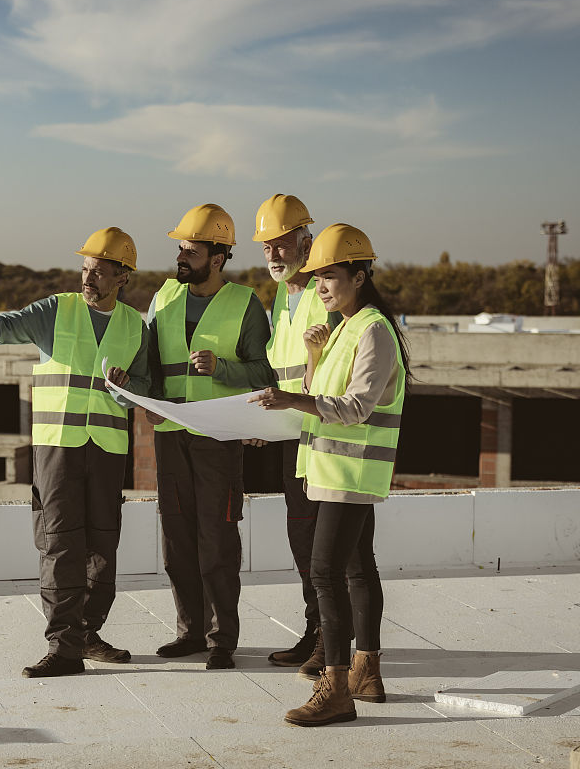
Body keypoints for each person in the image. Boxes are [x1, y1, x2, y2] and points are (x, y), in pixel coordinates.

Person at [0, 227, 151, 679]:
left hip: (106, 450)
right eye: (85, 269)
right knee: (61, 543)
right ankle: (64, 647)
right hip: (58, 448)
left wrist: (128, 388)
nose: (89, 278)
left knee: (103, 545)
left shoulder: (134, 325)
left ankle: (87, 633)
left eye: (100, 272)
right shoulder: (55, 311)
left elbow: (143, 389)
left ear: (122, 278)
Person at [256, 223, 410, 727]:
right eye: (317, 278)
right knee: (357, 568)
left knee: (325, 572)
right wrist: (316, 357)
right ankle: (367, 673)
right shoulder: (343, 327)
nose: (320, 286)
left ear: (361, 276)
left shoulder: (374, 330)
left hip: (349, 471)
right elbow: (323, 387)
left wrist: (290, 398)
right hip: (333, 468)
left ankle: (336, 689)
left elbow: (356, 406)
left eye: (331, 277)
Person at [144, 203, 275, 670]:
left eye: (191, 250)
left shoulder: (245, 304)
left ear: (218, 257)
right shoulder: (163, 297)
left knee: (217, 539)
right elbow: (149, 362)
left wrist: (223, 368)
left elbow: (266, 372)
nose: (181, 257)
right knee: (177, 539)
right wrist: (135, 392)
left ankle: (222, 639)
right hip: (170, 433)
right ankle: (191, 633)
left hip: (218, 436)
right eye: (180, 248)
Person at [252, 194, 344, 679]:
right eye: (267, 247)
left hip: (323, 437)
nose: (274, 255)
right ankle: (316, 632)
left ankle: (332, 641)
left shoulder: (321, 295)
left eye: (283, 245)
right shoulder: (282, 301)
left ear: (307, 243)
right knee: (301, 540)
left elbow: (325, 372)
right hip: (293, 438)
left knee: (322, 545)